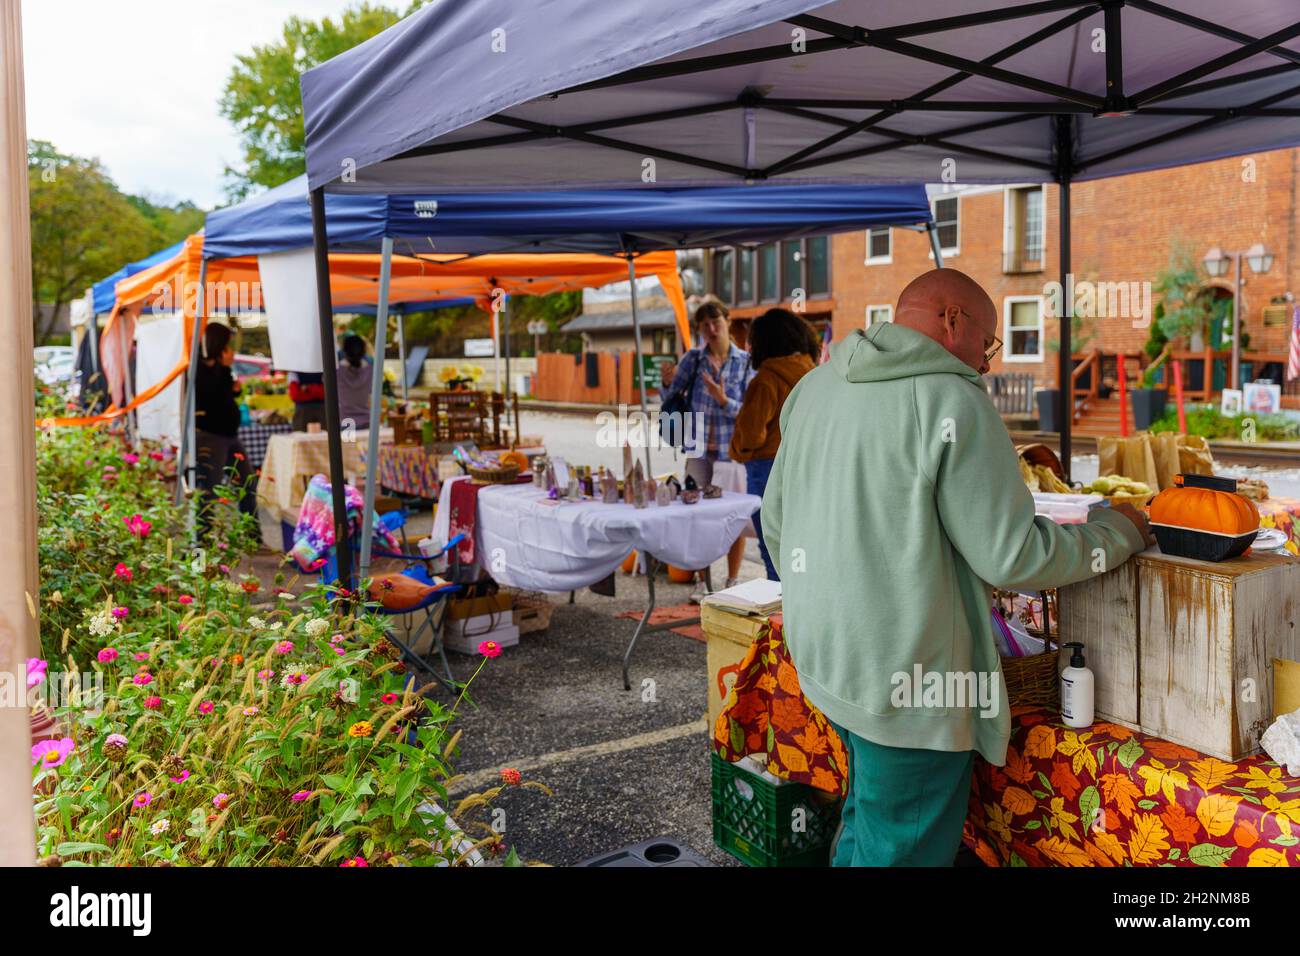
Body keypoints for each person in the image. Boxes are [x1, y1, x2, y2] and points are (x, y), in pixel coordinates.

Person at [761, 269, 1153, 867]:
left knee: (868, 816)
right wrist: (1119, 532)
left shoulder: (815, 387)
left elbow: (777, 523)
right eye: (988, 344)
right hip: (907, 680)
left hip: (825, 655)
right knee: (901, 847)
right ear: (952, 321)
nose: (988, 363)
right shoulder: (951, 399)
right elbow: (1014, 555)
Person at [659, 298, 755, 601]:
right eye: (705, 325)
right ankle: (703, 582)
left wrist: (723, 400)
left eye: (716, 322)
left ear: (728, 320)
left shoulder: (745, 362)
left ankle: (731, 579)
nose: (712, 329)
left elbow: (750, 411)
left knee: (734, 516)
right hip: (699, 449)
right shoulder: (694, 359)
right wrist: (665, 384)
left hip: (731, 451)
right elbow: (672, 398)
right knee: (698, 514)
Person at [728, 308, 819, 581]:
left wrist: (736, 449)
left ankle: (780, 619)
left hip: (766, 472)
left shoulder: (765, 380)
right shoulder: (814, 374)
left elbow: (749, 437)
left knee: (773, 552)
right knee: (803, 551)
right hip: (807, 468)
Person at [194, 322, 255, 528]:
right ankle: (203, 536)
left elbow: (228, 394)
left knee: (246, 483)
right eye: (227, 345)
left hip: (229, 434)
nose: (231, 350)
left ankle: (252, 534)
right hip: (211, 435)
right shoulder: (200, 368)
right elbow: (210, 396)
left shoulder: (222, 368)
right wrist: (226, 372)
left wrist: (233, 386)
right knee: (209, 489)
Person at [336, 334, 373, 431]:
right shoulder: (369, 369)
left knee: (347, 446)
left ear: (344, 350)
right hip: (366, 421)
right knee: (364, 447)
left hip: (344, 420)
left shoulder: (336, 371)